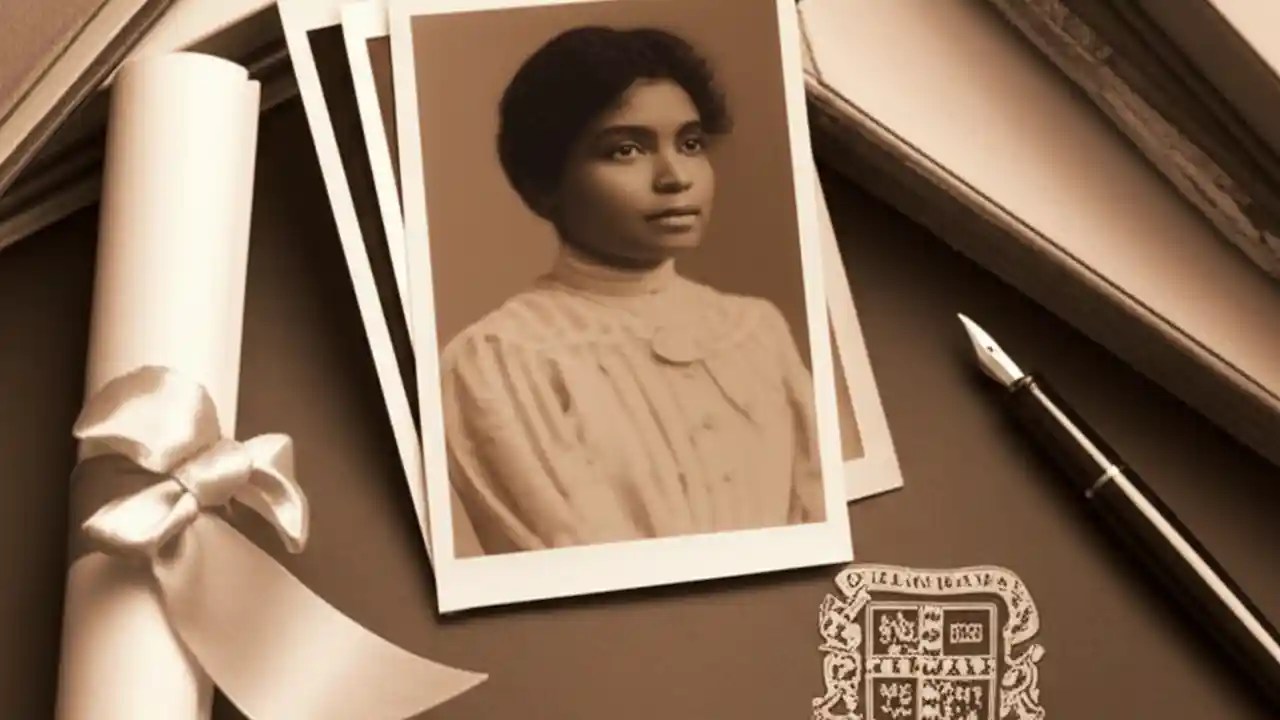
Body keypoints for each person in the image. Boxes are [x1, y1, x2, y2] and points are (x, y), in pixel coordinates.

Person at [440, 25, 824, 556]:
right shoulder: (503, 358)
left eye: (690, 144)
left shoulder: (755, 329)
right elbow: (571, 556)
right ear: (542, 184)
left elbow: (820, 517)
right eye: (625, 150)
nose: (675, 177)